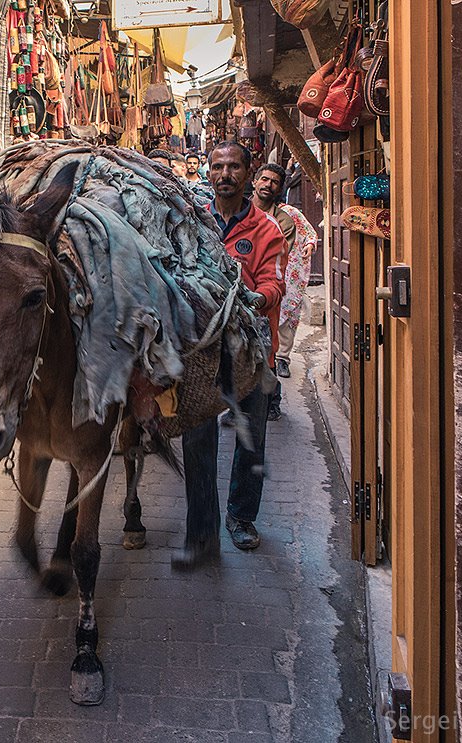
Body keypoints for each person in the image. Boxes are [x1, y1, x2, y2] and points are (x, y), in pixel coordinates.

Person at [175, 141, 286, 569]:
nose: (226, 173)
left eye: (234, 166)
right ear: (209, 170)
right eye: (218, 165)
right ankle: (202, 526)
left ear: (248, 172)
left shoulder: (267, 231)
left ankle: (241, 518)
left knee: (250, 438)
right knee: (197, 437)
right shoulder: (193, 221)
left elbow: (274, 283)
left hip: (252, 351)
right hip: (201, 353)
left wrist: (251, 299)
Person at [251, 163, 317, 420]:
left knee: (268, 349)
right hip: (240, 290)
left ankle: (272, 401)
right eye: (264, 179)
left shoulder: (284, 220)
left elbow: (276, 256)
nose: (268, 185)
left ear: (280, 188)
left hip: (267, 292)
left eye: (274, 182)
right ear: (255, 181)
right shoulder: (240, 212)